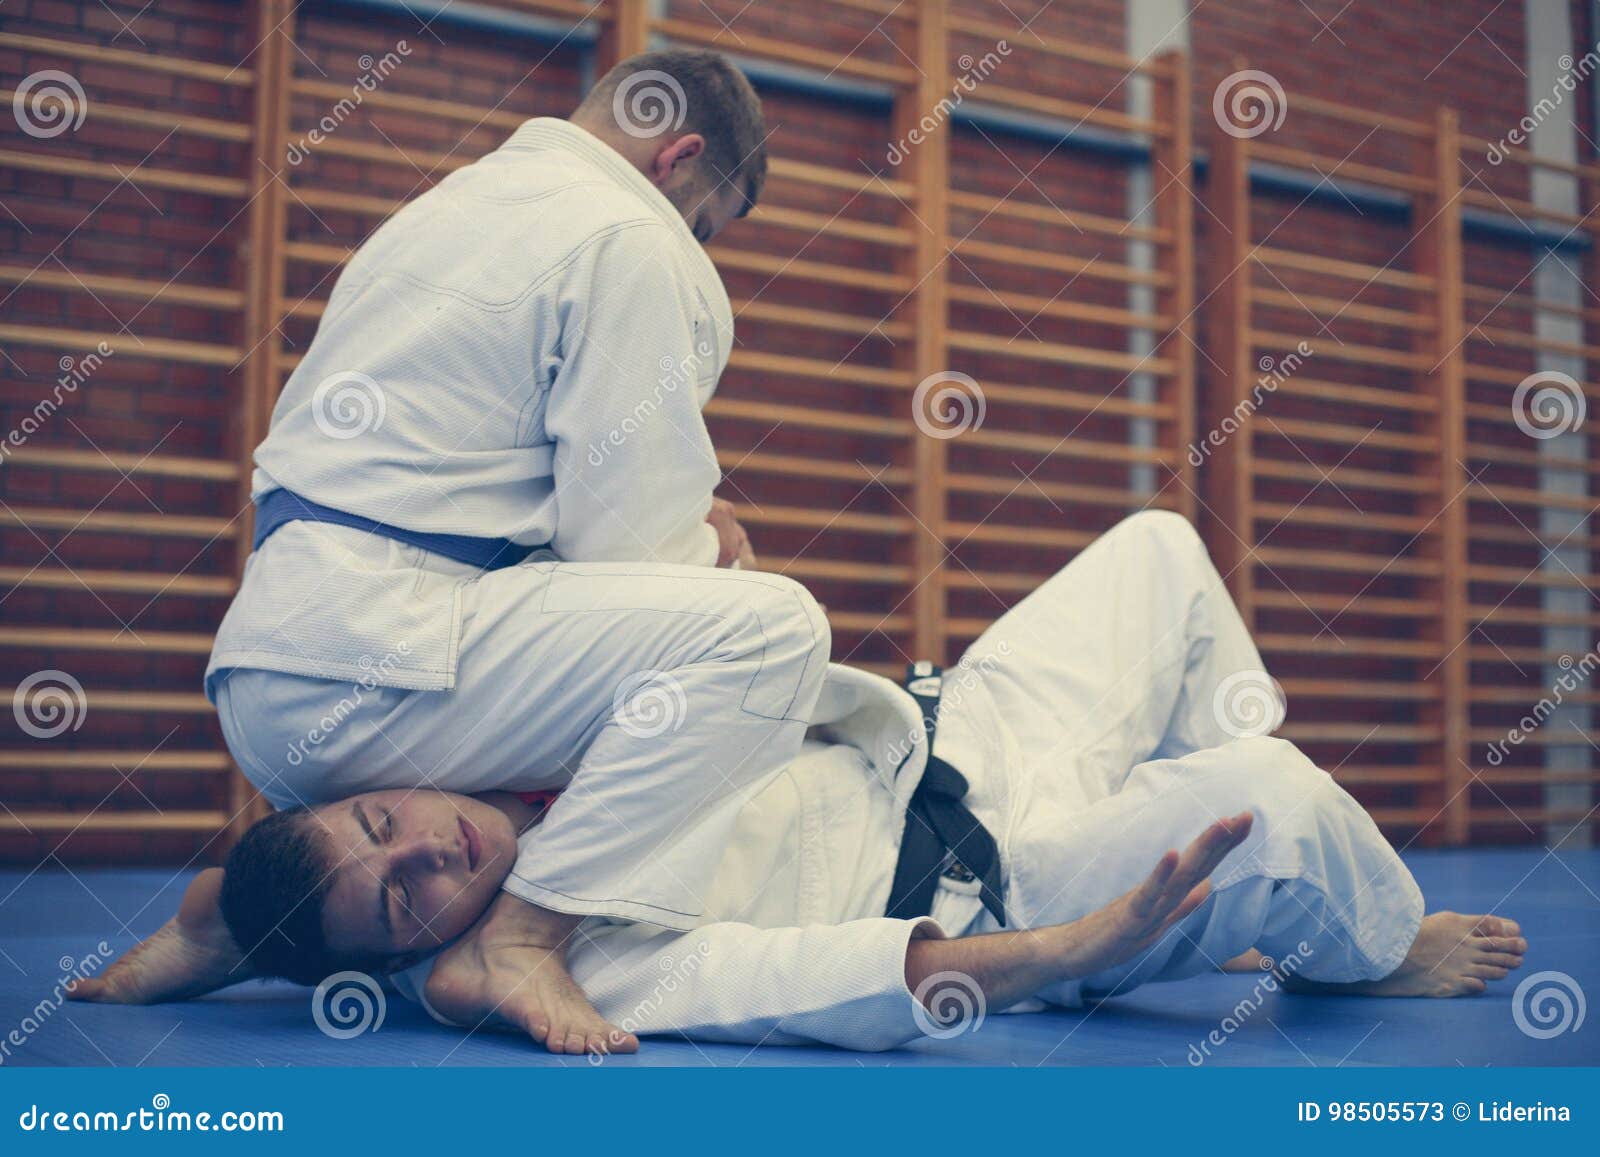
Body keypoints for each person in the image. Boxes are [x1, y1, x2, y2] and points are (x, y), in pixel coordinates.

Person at [74, 513, 1528, 1051]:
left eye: (385, 820)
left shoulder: (441, 776)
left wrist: (197, 940)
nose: (427, 845)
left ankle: (1193, 810)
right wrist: (1090, 944)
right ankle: (1365, 946)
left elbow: (253, 890)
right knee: (1270, 798)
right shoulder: (567, 963)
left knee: (1160, 545)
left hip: (952, 720)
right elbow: (847, 981)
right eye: (407, 899)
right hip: (1006, 873)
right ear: (417, 955)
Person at [200, 48, 834, 1053]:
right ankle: (522, 937)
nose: (695, 244)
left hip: (266, 688)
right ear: (675, 158)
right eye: (703, 222)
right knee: (767, 637)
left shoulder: (447, 205)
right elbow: (621, 543)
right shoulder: (633, 233)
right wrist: (714, 550)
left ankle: (225, 925)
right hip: (381, 668)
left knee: (521, 791)